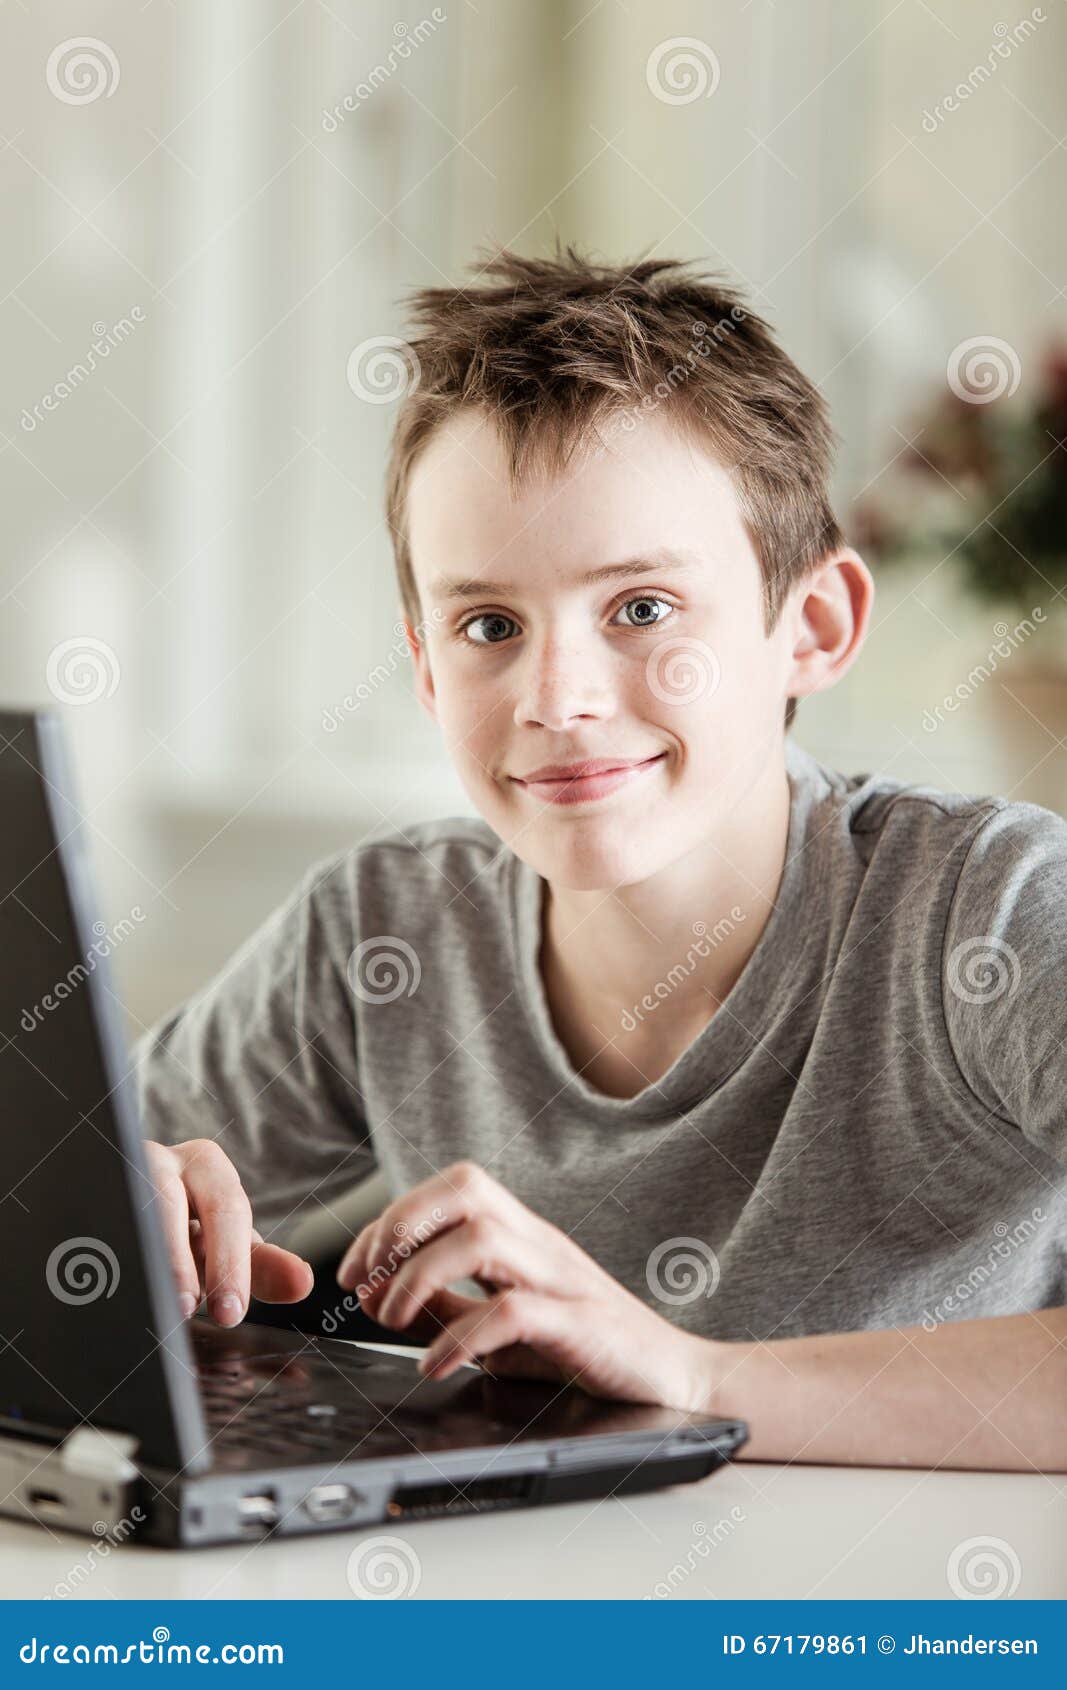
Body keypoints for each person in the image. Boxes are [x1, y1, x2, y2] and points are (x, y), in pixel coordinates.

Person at [134, 246, 1067, 1470]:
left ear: (812, 625)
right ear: (427, 670)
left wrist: (691, 1377)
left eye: (640, 609)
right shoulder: (382, 932)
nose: (556, 698)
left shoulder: (988, 911)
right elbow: (59, 1186)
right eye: (488, 624)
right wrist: (100, 1205)